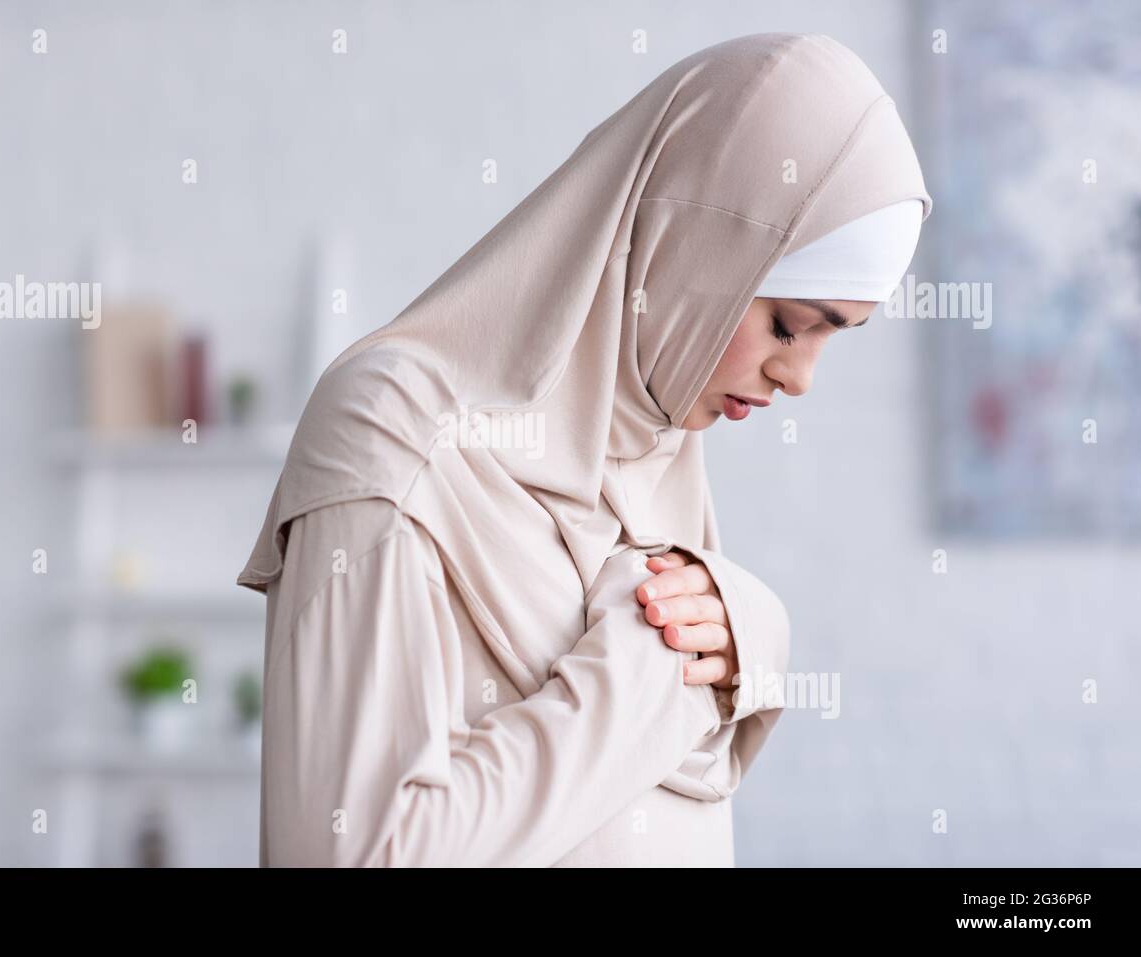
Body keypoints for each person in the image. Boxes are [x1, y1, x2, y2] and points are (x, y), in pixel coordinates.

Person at [237, 32, 930, 867]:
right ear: (690, 251)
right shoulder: (391, 433)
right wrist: (652, 675)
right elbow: (355, 853)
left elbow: (654, 802)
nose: (801, 379)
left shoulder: (653, 455)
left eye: (834, 337)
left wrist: (754, 634)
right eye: (788, 323)